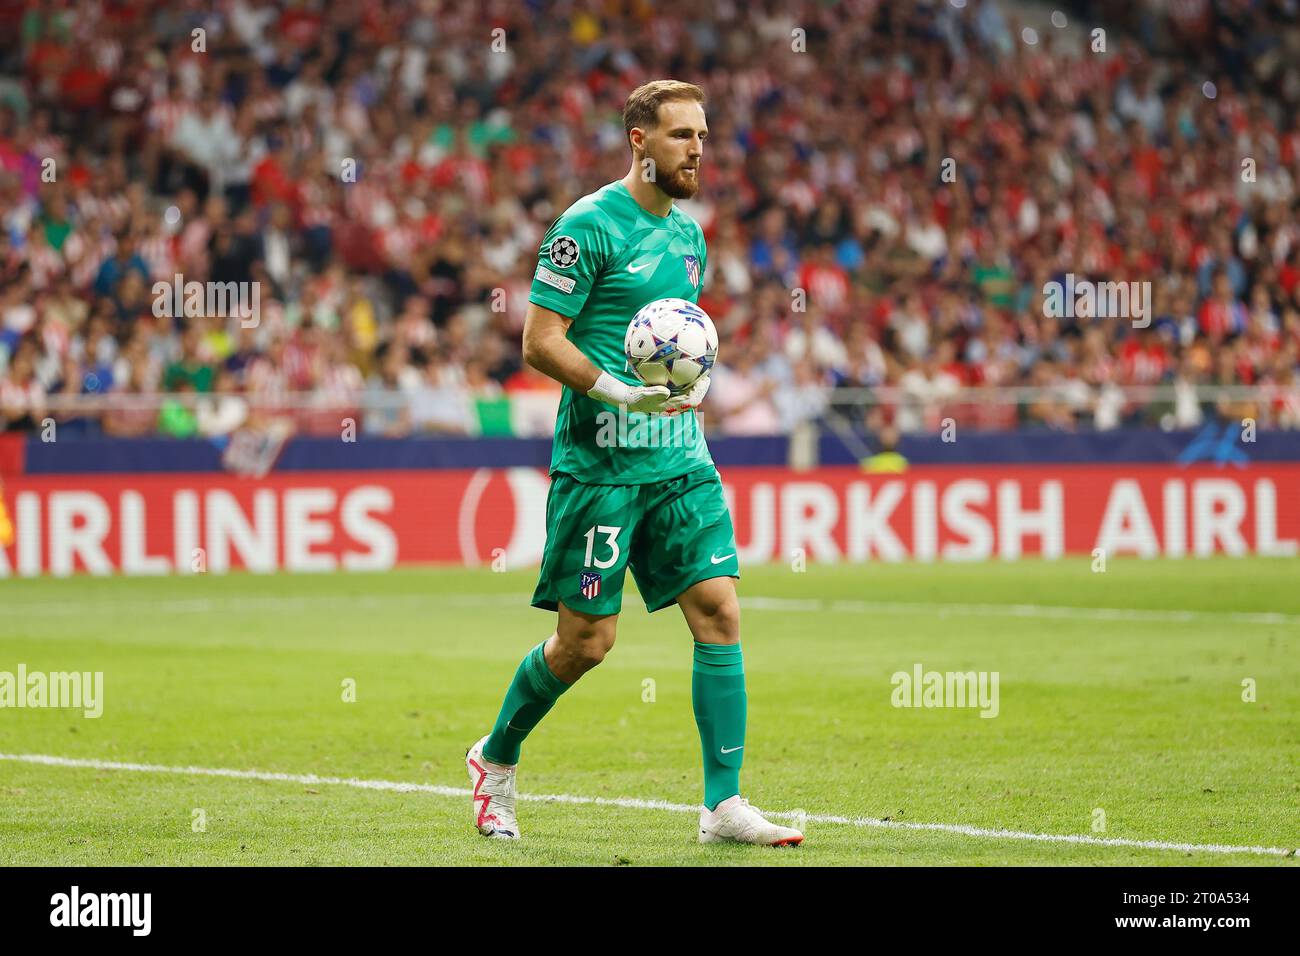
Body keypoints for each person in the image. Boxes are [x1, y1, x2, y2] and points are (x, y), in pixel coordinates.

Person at [465, 80, 802, 847]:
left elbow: (677, 342)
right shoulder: (586, 227)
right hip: (601, 469)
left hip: (681, 462)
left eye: (704, 137)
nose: (698, 150)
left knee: (719, 610)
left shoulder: (691, 237)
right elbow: (538, 340)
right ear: (640, 142)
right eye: (683, 135)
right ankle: (496, 758)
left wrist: (688, 388)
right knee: (587, 643)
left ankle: (722, 806)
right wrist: (618, 392)